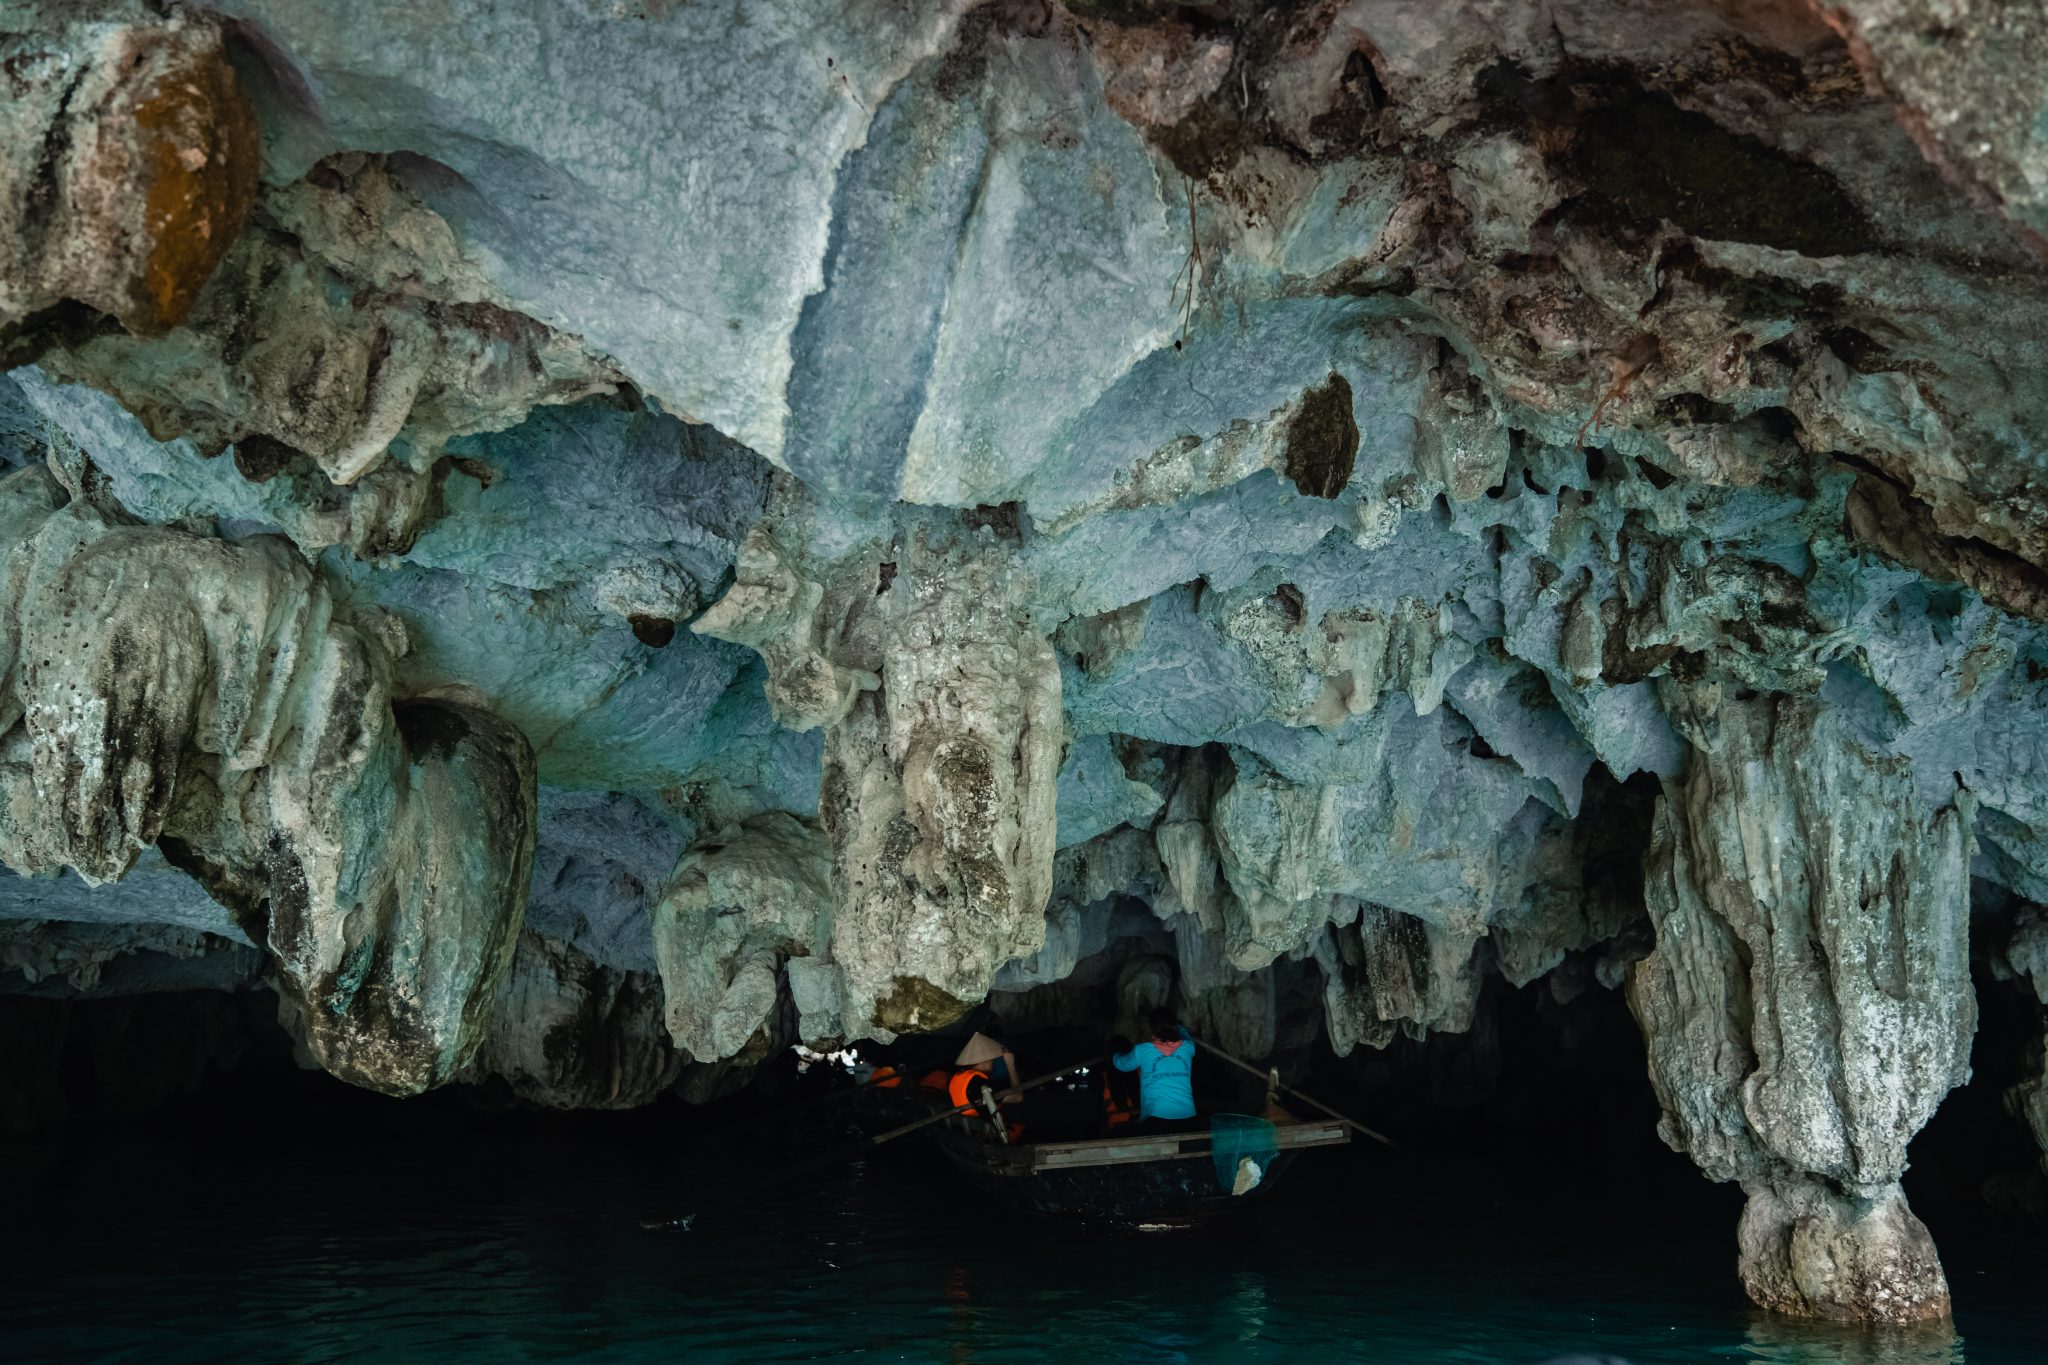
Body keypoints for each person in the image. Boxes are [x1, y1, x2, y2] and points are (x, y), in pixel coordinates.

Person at [1112, 1008, 1197, 1126]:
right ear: (1175, 1025)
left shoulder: (1142, 1050)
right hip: (1188, 1117)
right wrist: (1177, 1026)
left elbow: (1122, 1065)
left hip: (1156, 1117)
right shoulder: (1188, 1047)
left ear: (1152, 1028)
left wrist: (1115, 1053)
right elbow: (1184, 1034)